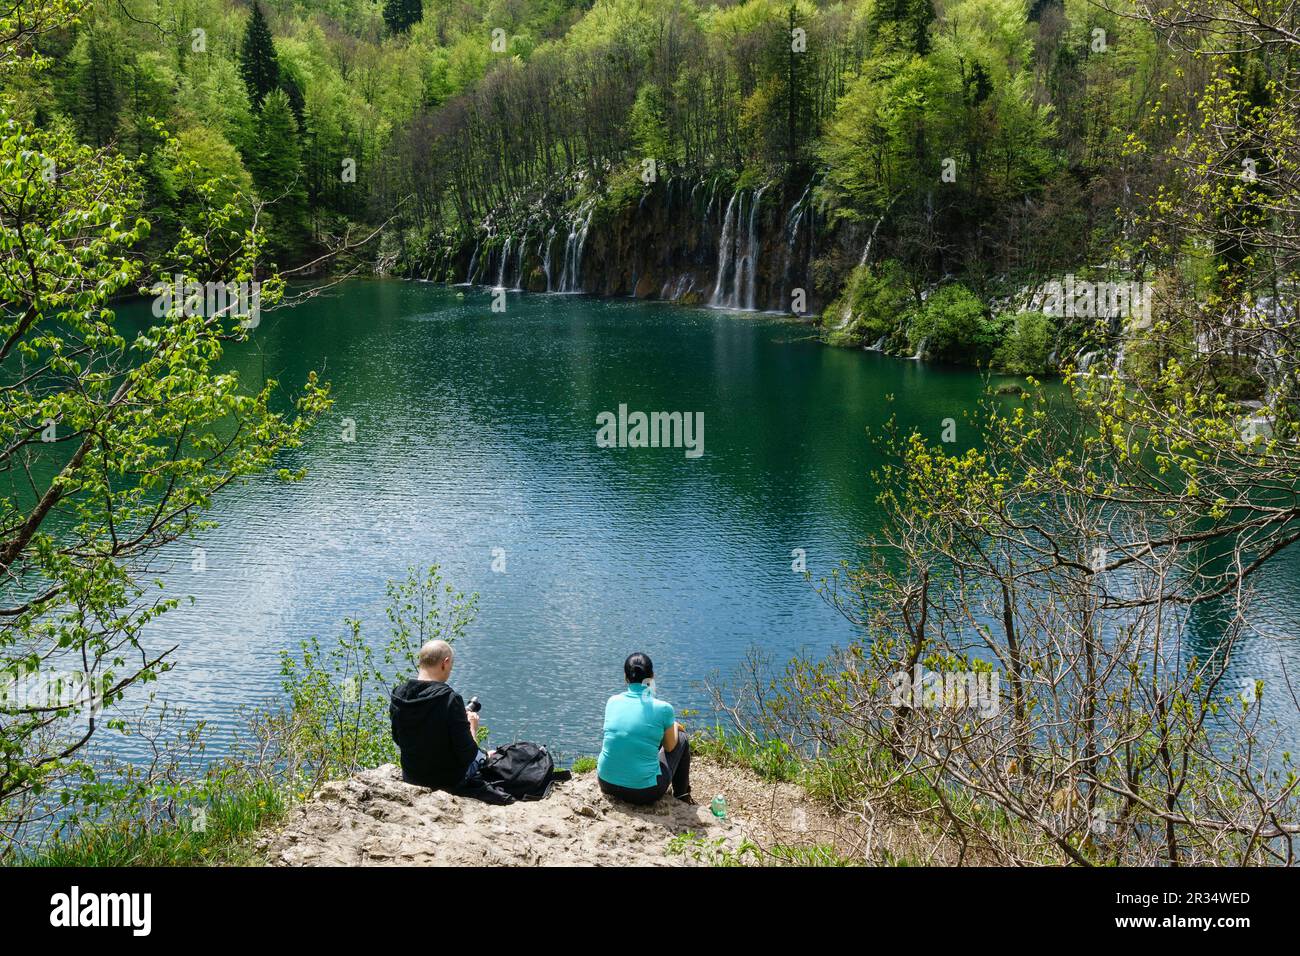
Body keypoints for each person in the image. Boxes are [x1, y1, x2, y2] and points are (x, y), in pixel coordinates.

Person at [389, 639, 485, 792]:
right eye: (451, 666)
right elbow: (468, 754)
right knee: (484, 757)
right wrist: (472, 728)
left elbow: (397, 738)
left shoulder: (398, 694)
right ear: (445, 663)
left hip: (411, 777)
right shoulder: (449, 699)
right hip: (448, 782)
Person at [597, 652, 692, 805]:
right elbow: (670, 747)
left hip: (606, 783)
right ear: (652, 676)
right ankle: (682, 796)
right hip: (643, 792)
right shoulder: (663, 708)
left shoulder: (612, 701)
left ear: (625, 677)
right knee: (681, 738)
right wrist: (674, 725)